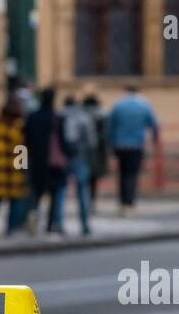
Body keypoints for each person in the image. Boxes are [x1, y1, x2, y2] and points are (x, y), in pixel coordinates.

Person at [107, 84, 160, 214]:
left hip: (120, 145)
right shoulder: (144, 105)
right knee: (132, 174)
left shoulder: (118, 105)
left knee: (122, 173)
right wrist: (155, 140)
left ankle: (122, 202)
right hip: (136, 144)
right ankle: (130, 202)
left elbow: (110, 125)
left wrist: (111, 143)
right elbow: (154, 124)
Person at [24, 87, 67, 234]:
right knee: (56, 196)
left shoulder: (31, 117)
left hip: (36, 163)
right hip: (54, 164)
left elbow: (23, 143)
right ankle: (53, 224)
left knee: (35, 196)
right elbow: (63, 143)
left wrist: (20, 164)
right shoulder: (57, 118)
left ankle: (32, 224)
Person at [0, 99, 28, 236]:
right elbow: (22, 148)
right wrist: (23, 167)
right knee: (15, 199)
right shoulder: (19, 126)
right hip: (15, 167)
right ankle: (10, 228)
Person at [61, 94, 97, 236]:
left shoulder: (59, 115)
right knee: (82, 191)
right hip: (80, 156)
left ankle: (58, 223)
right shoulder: (84, 117)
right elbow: (92, 141)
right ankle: (84, 225)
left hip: (62, 158)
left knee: (61, 191)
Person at [82, 92, 109, 203]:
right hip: (98, 150)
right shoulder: (102, 114)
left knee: (85, 175)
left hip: (84, 150)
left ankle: (86, 198)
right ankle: (92, 198)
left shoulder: (82, 115)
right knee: (94, 176)